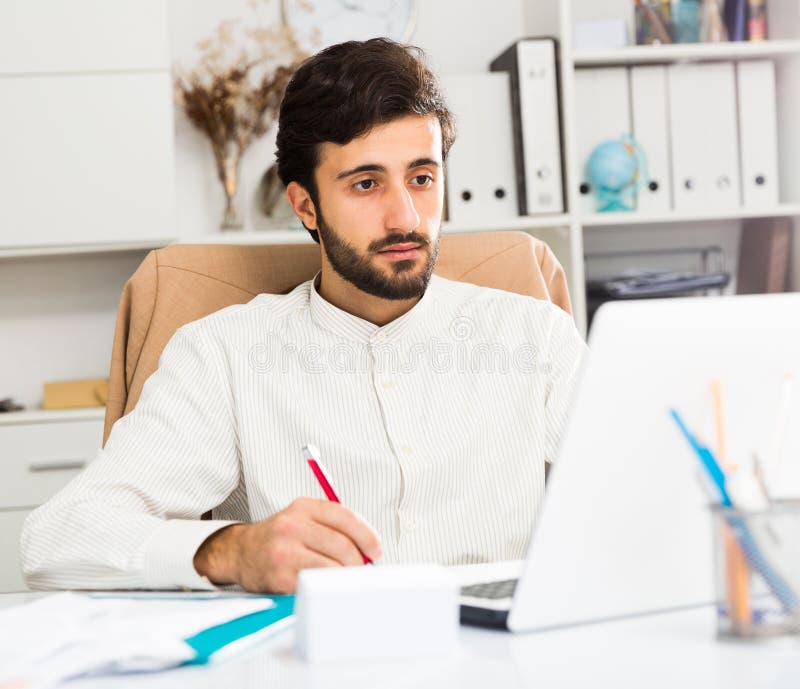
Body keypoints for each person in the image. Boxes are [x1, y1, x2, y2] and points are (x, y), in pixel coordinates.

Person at [20, 38, 587, 594]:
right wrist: (234, 550)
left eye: (422, 177)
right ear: (305, 205)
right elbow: (55, 542)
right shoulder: (225, 354)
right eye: (366, 184)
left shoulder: (535, 336)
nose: (406, 216)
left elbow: (648, 494)